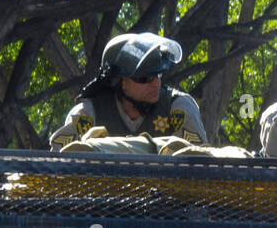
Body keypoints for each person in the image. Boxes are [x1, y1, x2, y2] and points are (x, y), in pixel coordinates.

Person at [49, 32, 207, 150]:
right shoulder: (89, 114)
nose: (156, 83)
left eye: (158, 74)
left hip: (168, 193)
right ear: (121, 83)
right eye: (144, 78)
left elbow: (198, 165)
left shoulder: (179, 108)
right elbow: (59, 164)